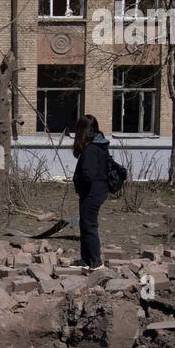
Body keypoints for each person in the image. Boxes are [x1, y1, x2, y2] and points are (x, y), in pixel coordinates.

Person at [72, 114, 111, 269]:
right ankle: (86, 259)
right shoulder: (100, 145)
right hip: (98, 190)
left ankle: (96, 262)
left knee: (89, 226)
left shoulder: (90, 149)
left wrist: (78, 181)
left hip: (92, 192)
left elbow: (88, 175)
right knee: (85, 224)